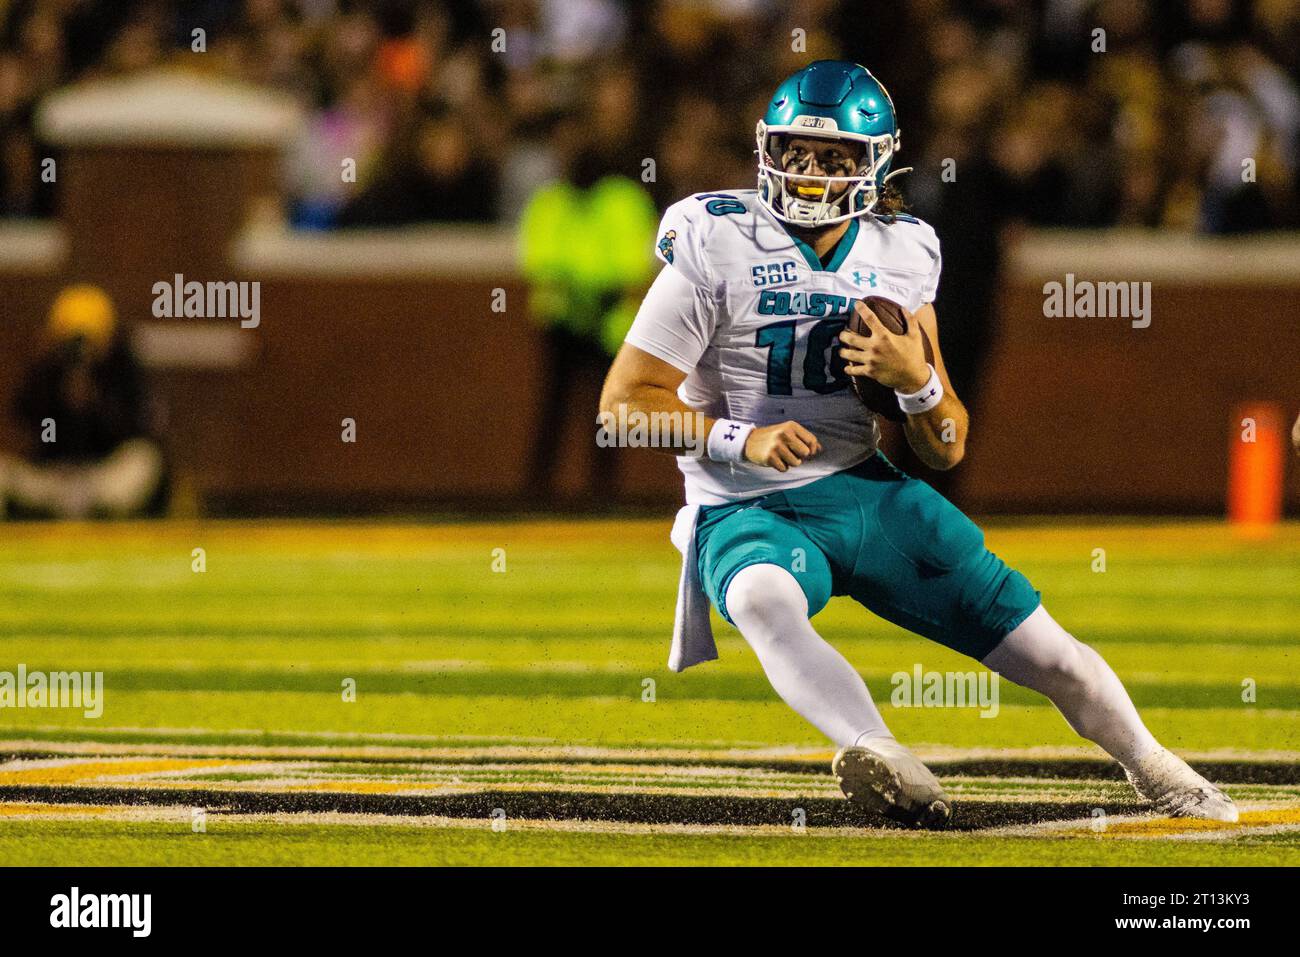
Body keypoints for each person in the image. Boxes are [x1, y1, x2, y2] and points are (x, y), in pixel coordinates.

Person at [599, 60, 1236, 828]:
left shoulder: (901, 251)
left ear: (876, 163)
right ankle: (879, 751)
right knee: (764, 597)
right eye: (796, 152)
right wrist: (739, 437)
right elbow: (623, 407)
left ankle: (1156, 765)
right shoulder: (715, 238)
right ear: (768, 149)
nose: (808, 173)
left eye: (832, 158)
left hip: (865, 491)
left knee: (1048, 650)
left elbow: (946, 446)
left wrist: (915, 382)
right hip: (744, 505)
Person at [1, 285, 165, 519]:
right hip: (53, 477)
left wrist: (97, 403)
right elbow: (29, 426)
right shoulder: (46, 373)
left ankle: (101, 511)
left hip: (101, 478)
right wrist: (59, 398)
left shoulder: (122, 372)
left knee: (143, 459)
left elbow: (139, 431)